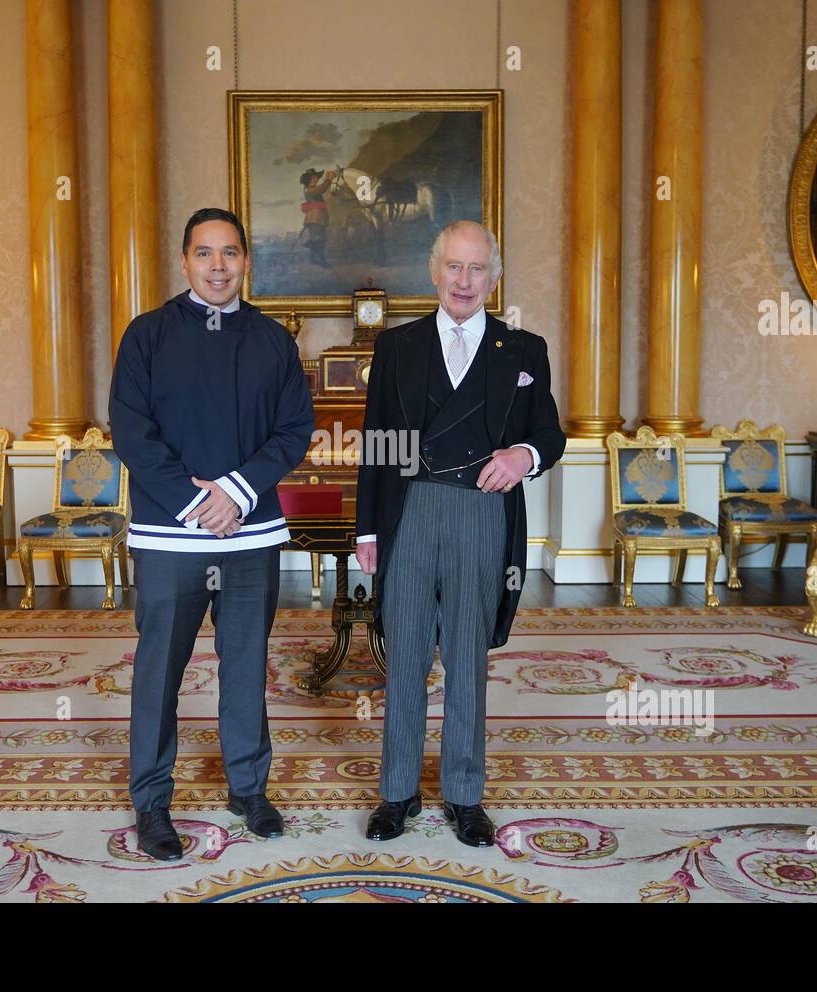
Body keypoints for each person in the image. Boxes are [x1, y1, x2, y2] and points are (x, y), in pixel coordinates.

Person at [109, 206, 314, 859]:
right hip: (172, 536)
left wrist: (239, 493)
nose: (218, 265)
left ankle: (248, 788)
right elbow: (131, 432)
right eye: (205, 253)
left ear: (246, 260)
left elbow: (293, 429)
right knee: (159, 671)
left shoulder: (274, 340)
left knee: (247, 664)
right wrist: (197, 505)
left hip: (251, 534)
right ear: (184, 260)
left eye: (230, 253)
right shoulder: (146, 336)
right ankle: (151, 803)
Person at [354, 219, 566, 847]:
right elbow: (378, 443)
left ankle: (465, 796)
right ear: (434, 271)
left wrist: (522, 456)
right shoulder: (397, 346)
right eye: (454, 266)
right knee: (407, 657)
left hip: (483, 512)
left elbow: (550, 434)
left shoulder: (523, 349)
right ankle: (397, 793)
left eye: (477, 269)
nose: (464, 280)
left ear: (494, 277)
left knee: (469, 657)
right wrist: (368, 528)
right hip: (411, 510)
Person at [298, 168, 336, 268]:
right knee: (319, 239)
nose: (316, 179)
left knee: (315, 239)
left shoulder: (310, 188)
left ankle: (313, 259)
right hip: (315, 218)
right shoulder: (310, 189)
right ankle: (321, 261)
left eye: (316, 177)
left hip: (316, 217)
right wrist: (329, 179)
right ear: (309, 179)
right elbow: (322, 189)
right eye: (313, 177)